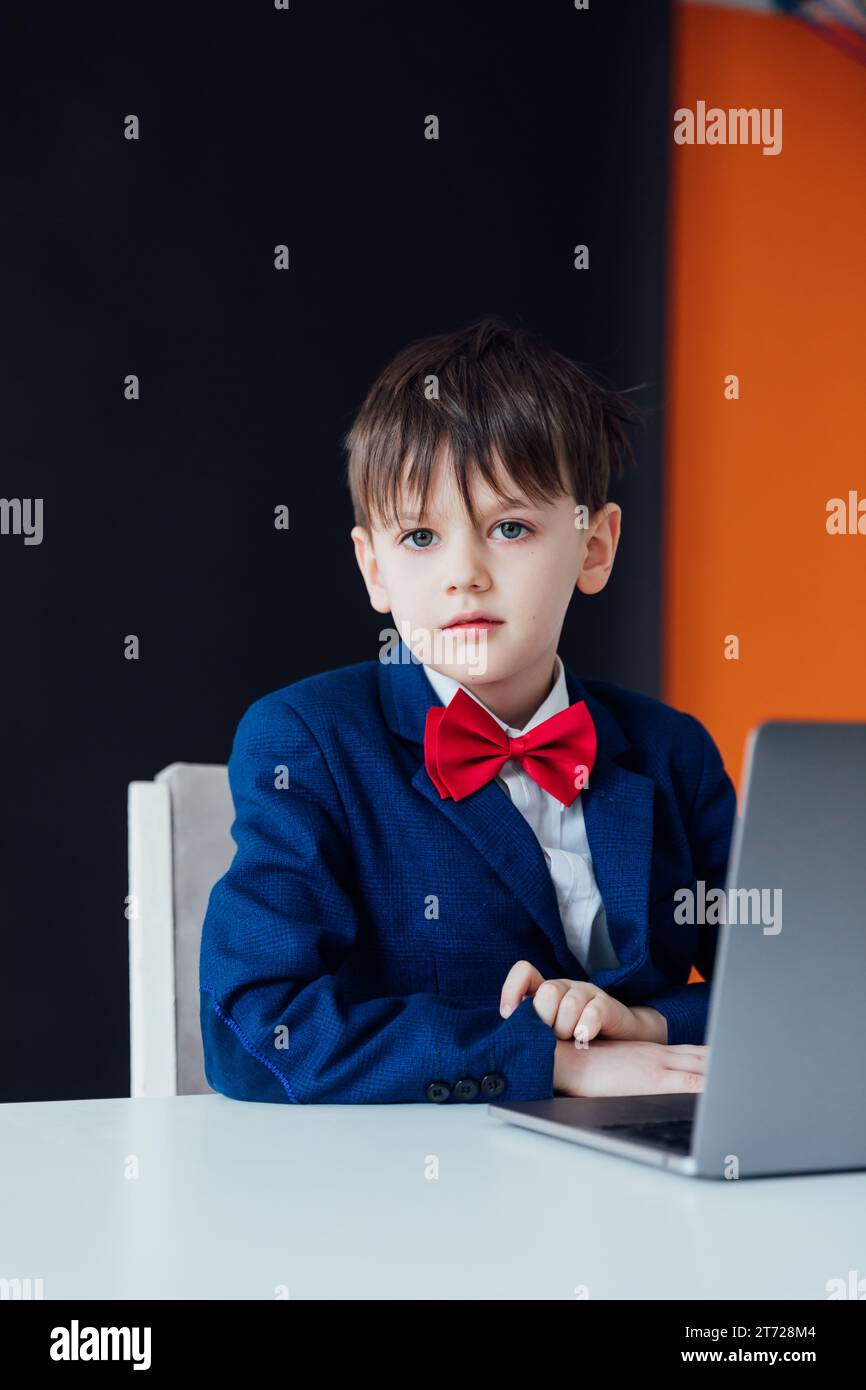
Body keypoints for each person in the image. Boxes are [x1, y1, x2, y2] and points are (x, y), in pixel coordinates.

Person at [199, 316, 736, 1104]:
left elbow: (797, 990)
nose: (464, 574)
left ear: (595, 547)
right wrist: (551, 1061)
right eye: (420, 537)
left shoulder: (673, 751)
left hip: (648, 1157)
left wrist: (647, 1026)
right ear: (373, 568)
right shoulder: (305, 741)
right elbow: (255, 1029)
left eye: (510, 527)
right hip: (413, 1189)